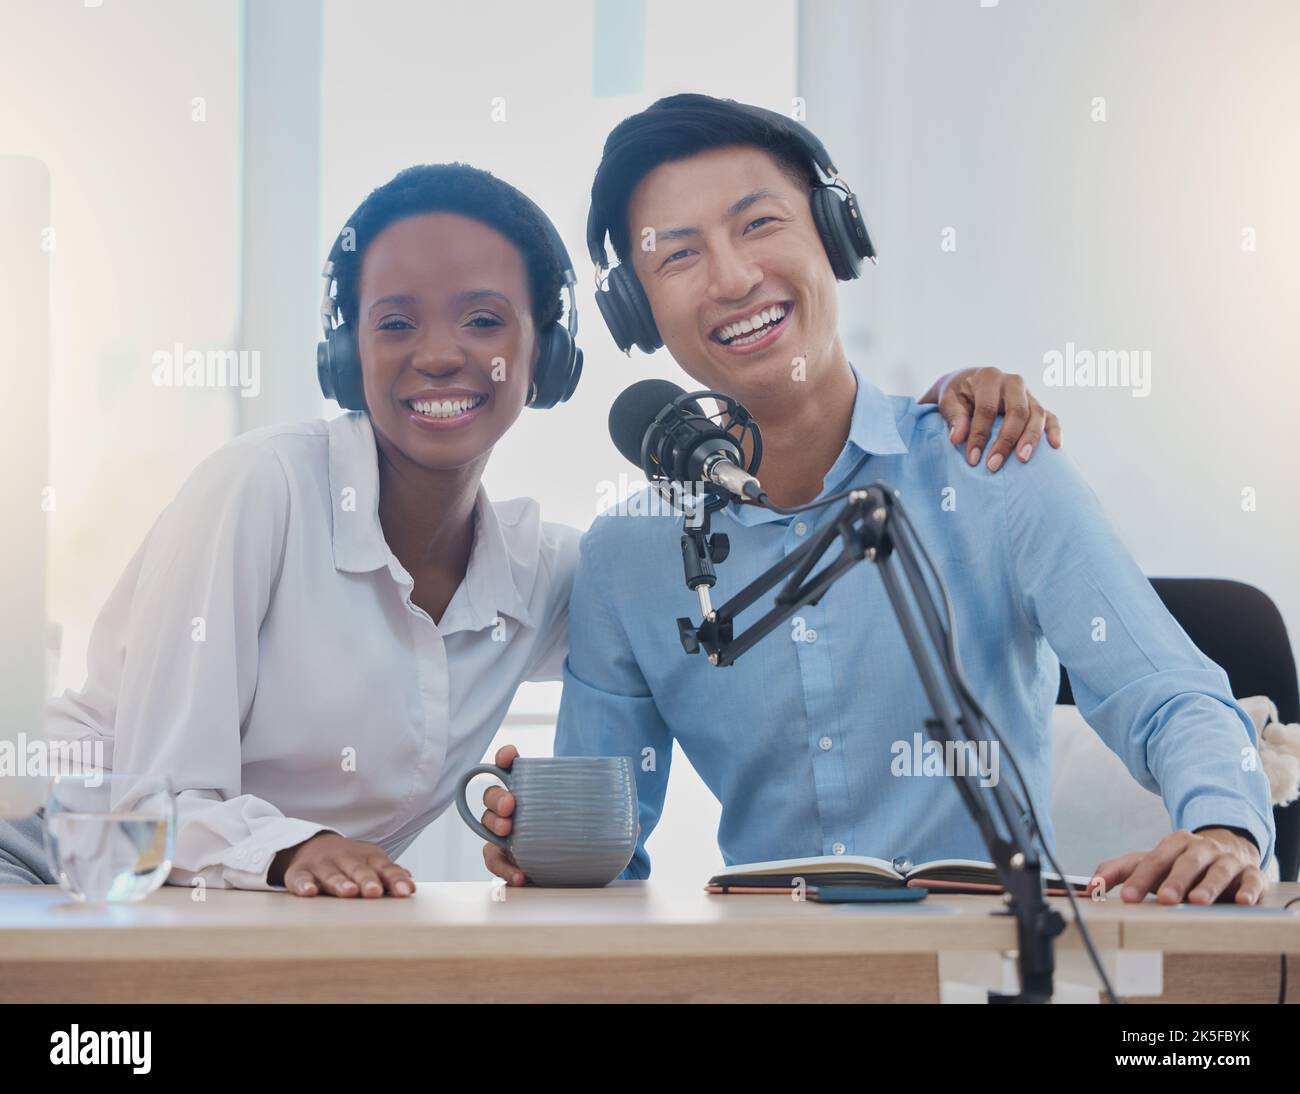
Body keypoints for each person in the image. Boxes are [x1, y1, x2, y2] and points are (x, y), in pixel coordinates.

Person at [0, 160, 1051, 894]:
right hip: (58, 877)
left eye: (484, 319)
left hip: (265, 914)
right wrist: (292, 847)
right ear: (346, 352)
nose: (441, 353)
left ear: (545, 356)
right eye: (395, 322)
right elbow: (144, 803)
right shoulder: (257, 490)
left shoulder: (546, 569)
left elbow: (703, 610)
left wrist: (938, 410)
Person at [479, 95, 1275, 906]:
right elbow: (595, 858)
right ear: (639, 314)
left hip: (987, 964)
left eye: (758, 225)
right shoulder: (629, 558)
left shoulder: (992, 466)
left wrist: (1223, 828)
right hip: (767, 970)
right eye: (678, 258)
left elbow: (1168, 692)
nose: (732, 278)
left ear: (836, 233)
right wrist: (536, 848)